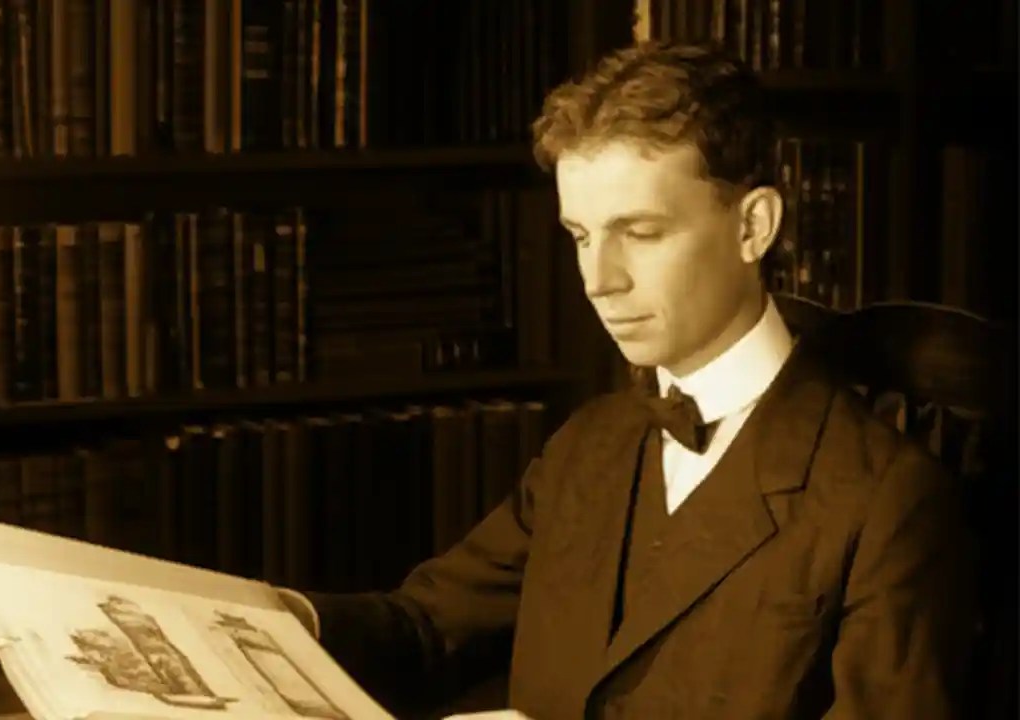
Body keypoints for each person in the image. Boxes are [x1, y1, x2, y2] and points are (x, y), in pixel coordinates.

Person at [280, 41, 980, 719]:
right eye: (581, 236)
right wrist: (269, 622)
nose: (599, 281)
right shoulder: (586, 447)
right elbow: (426, 631)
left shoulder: (888, 502)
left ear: (753, 227)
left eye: (640, 233)